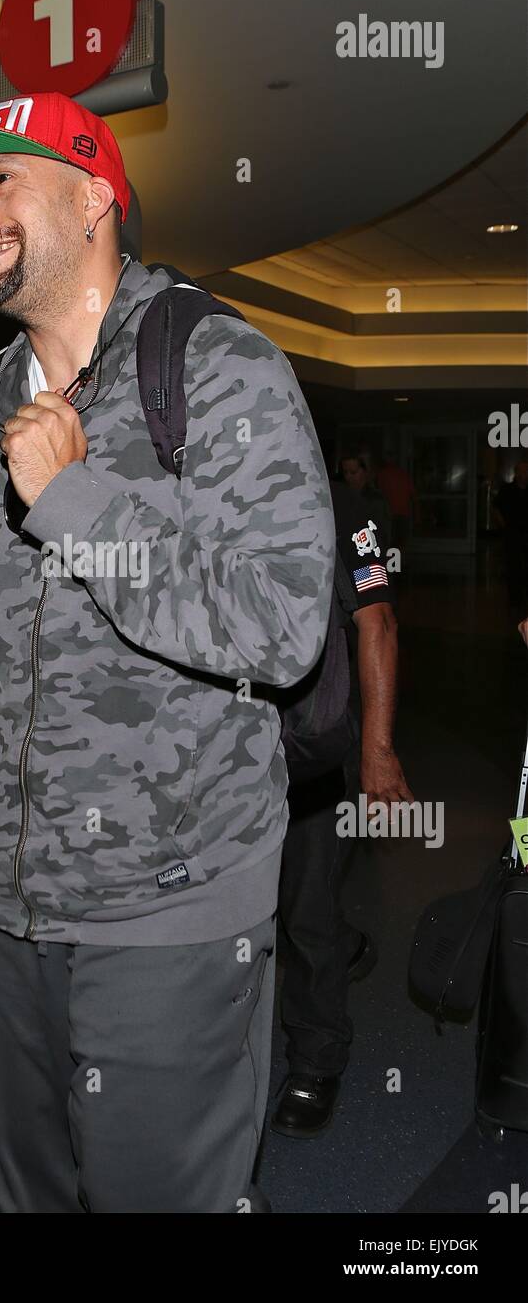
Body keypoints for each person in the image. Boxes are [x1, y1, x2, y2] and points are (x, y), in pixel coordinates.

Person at [0, 91, 334, 1213]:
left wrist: (73, 500)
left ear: (94, 194)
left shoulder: (212, 365)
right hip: (2, 908)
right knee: (6, 1194)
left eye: (2, 177)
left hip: (172, 905)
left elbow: (282, 624)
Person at [273, 479, 413, 1136]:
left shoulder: (345, 509)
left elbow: (376, 619)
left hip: (313, 752)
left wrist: (377, 751)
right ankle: (344, 944)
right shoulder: (202, 493)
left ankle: (316, 1060)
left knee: (305, 910)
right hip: (222, 754)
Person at [340, 450, 393, 555]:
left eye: (353, 472)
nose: (349, 477)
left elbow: (384, 535)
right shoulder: (343, 496)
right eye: (345, 473)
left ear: (365, 472)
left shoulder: (376, 500)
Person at [494, 459, 528, 615]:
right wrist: (504, 524)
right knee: (513, 566)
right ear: (516, 473)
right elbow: (496, 507)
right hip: (512, 534)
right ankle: (515, 599)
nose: (523, 474)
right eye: (521, 471)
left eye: (526, 471)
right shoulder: (507, 489)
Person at [376, 451, 418, 548]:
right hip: (401, 513)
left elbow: (379, 491)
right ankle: (397, 561)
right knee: (399, 542)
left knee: (390, 542)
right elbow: (413, 495)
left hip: (389, 513)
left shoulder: (382, 474)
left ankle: (393, 562)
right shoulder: (403, 474)